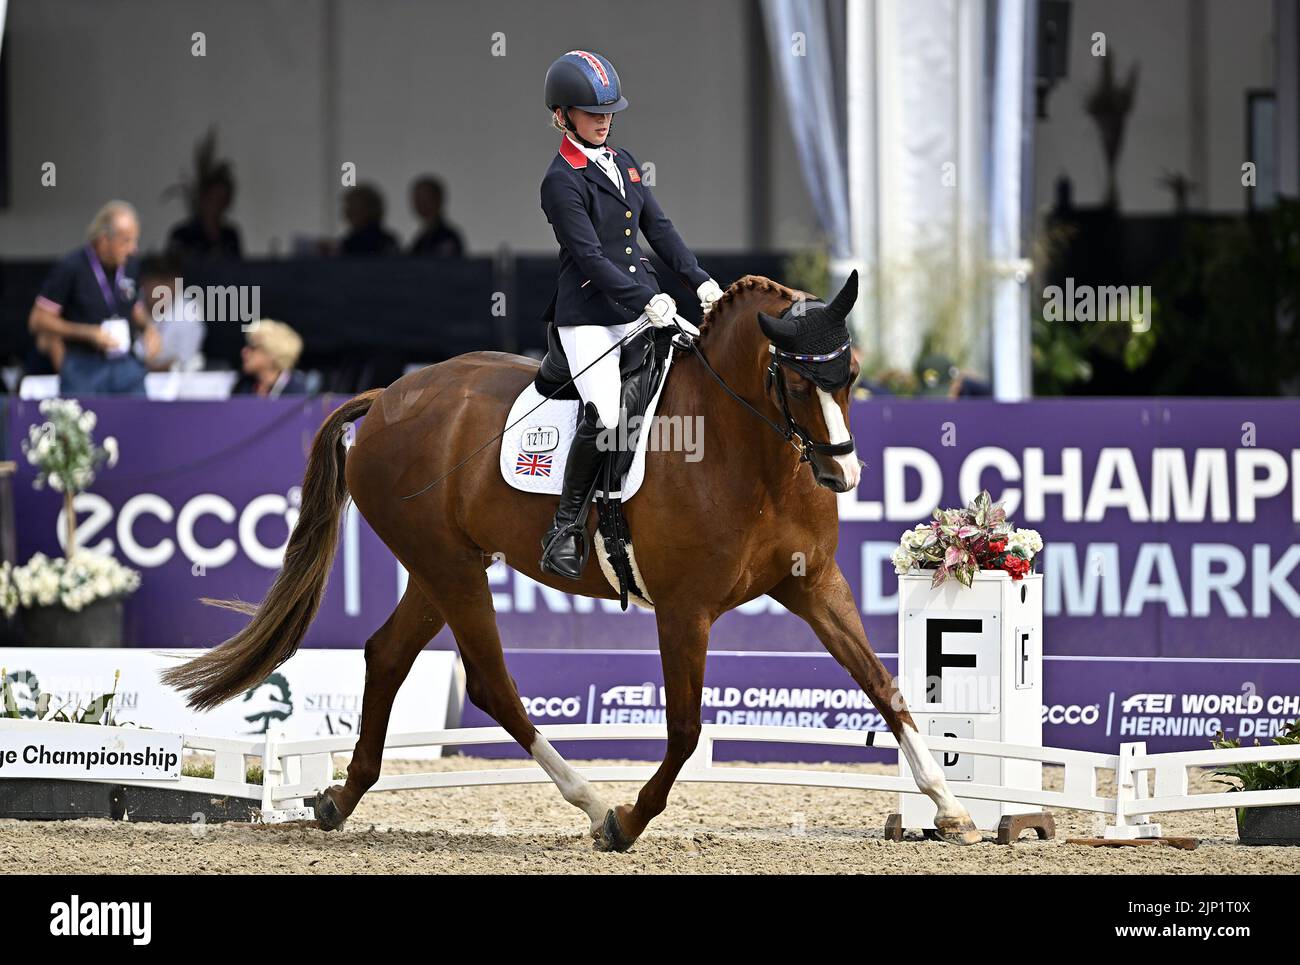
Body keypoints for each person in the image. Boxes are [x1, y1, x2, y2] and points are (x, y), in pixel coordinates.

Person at [537, 50, 723, 579]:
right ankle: (565, 526)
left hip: (643, 302)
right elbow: (590, 257)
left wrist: (700, 281)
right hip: (590, 317)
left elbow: (659, 230)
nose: (603, 121)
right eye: (591, 113)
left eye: (608, 112)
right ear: (562, 116)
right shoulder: (560, 180)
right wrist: (646, 300)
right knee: (609, 414)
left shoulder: (624, 162)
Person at [28, 201, 161, 395]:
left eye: (135, 240)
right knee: (84, 423)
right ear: (104, 240)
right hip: (83, 366)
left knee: (138, 421)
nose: (133, 249)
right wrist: (88, 333)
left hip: (125, 365)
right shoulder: (72, 267)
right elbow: (38, 320)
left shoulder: (130, 266)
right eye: (126, 241)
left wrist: (149, 328)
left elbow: (134, 307)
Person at [138, 256, 207, 372]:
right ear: (143, 283)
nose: (160, 289)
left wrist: (142, 369)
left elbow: (184, 359)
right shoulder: (131, 304)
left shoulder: (189, 310)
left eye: (166, 281)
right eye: (155, 281)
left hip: (177, 380)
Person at [233, 319, 309, 397]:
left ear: (272, 353)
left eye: (253, 348)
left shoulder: (295, 391)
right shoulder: (242, 387)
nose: (244, 351)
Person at [408, 175, 465, 257]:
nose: (421, 204)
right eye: (418, 198)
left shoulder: (448, 238)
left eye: (425, 198)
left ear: (438, 199)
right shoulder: (420, 240)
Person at [339, 184, 399, 256]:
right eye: (349, 208)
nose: (347, 213)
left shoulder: (353, 244)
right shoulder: (388, 241)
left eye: (355, 208)